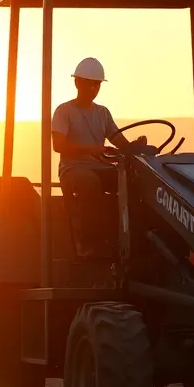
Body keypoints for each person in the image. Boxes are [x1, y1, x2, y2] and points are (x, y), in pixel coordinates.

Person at [51, 57, 146, 258]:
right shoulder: (64, 111)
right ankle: (86, 244)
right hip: (73, 169)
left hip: (101, 167)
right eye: (90, 83)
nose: (94, 88)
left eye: (97, 84)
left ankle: (135, 239)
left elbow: (119, 140)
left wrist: (136, 147)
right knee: (90, 183)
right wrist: (90, 150)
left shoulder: (103, 113)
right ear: (77, 83)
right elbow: (58, 145)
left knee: (133, 181)